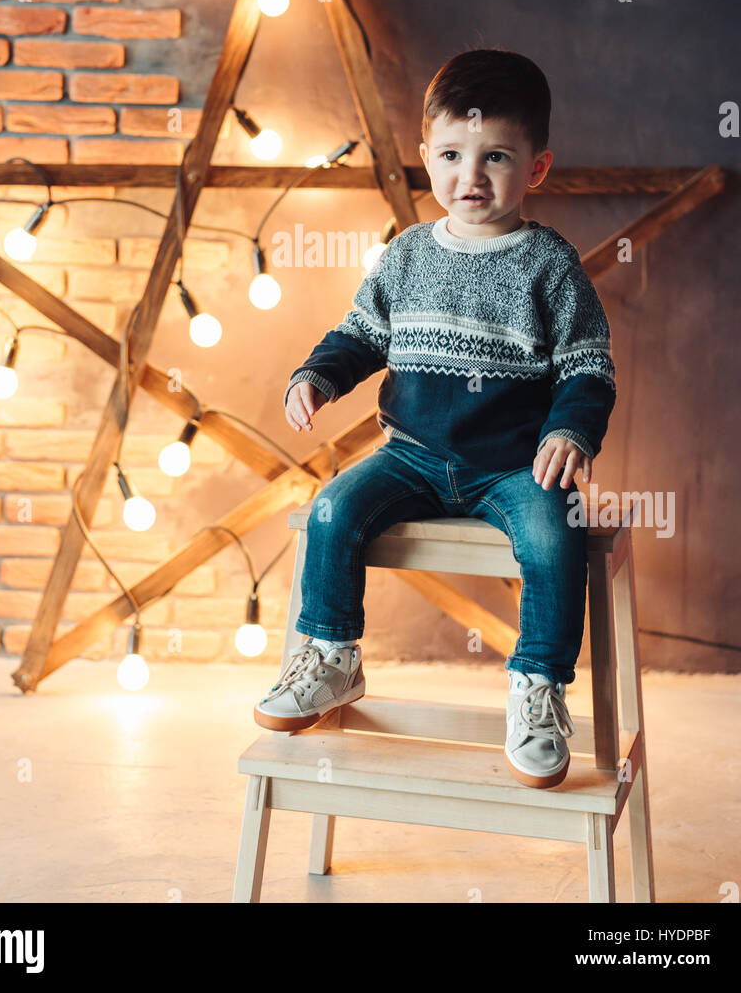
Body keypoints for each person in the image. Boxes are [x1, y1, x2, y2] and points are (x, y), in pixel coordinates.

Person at [254, 48, 616, 789]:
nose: (470, 177)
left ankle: (537, 688)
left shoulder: (549, 266)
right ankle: (331, 656)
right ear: (426, 158)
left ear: (536, 168)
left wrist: (568, 429)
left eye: (496, 158)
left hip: (514, 466)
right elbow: (361, 334)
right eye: (451, 155)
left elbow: (588, 367)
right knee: (330, 511)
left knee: (555, 537)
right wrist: (319, 374)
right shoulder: (405, 255)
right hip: (411, 458)